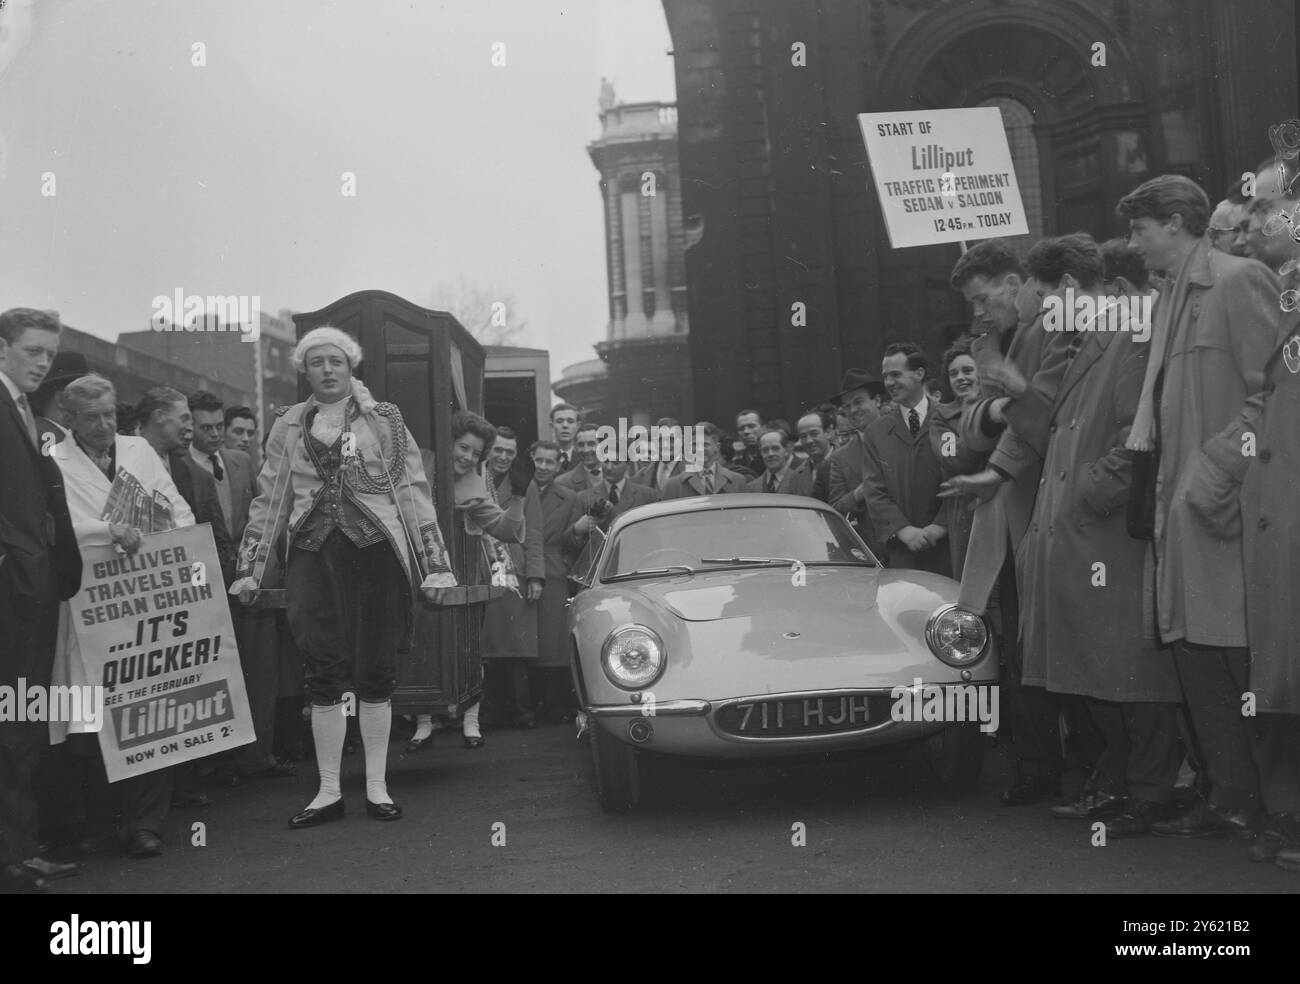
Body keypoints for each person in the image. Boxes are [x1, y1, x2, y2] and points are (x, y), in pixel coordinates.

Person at [230, 326, 457, 828]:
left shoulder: (386, 420)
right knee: (322, 670)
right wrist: (250, 569)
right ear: (304, 371)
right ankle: (328, 791)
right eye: (317, 363)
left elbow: (414, 492)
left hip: (375, 552)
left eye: (335, 361)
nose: (327, 370)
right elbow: (270, 500)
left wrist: (436, 563)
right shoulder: (289, 424)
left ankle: (377, 787)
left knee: (376, 669)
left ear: (350, 365)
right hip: (312, 555)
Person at [999, 234, 1184, 835]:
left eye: (1048, 297)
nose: (1046, 310)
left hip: (1104, 538)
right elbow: (1048, 430)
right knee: (1098, 672)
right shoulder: (1081, 341)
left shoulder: (1128, 336)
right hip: (1079, 537)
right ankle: (1129, 784)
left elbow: (1139, 436)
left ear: (1073, 290)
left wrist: (1088, 495)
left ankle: (1150, 792)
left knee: (1129, 671)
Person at [1115, 175, 1278, 839]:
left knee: (1238, 663)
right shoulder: (1171, 299)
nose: (1133, 243)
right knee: (1198, 661)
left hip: (1227, 516)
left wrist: (1214, 472)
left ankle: (1268, 809)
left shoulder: (1238, 281)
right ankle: (1231, 799)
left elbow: (1273, 396)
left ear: (1176, 223)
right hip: (1184, 518)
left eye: (1139, 229)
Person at [1183, 191, 1300, 868]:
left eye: (1269, 210)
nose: (1254, 224)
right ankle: (1287, 815)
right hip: (1275, 510)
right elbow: (1265, 397)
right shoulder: (1283, 300)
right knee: (1282, 671)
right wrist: (1227, 461)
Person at [943, 237, 1073, 805]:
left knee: (1055, 649)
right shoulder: (999, 341)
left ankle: (1074, 769)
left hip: (1051, 518)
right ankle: (1042, 767)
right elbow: (969, 428)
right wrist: (998, 408)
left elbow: (1047, 419)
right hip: (1015, 527)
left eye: (981, 297)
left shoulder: (1054, 331)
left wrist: (1004, 408)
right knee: (1022, 651)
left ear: (1015, 284)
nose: (977, 311)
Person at [49, 374, 195, 859]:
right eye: (91, 417)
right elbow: (56, 523)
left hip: (149, 595)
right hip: (92, 602)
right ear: (69, 421)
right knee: (93, 717)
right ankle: (101, 819)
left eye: (110, 413)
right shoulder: (54, 462)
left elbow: (175, 506)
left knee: (153, 703)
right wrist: (107, 528)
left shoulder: (139, 451)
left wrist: (176, 535)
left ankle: (145, 825)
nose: (104, 425)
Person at [0, 308, 82, 892]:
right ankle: (15, 853)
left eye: (49, 354)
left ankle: (20, 848)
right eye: (32, 351)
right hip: (13, 590)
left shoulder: (22, 410)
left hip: (32, 590)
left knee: (22, 721)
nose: (43, 363)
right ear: (2, 349)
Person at [416, 412, 526, 749]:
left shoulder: (475, 486)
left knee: (468, 647)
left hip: (464, 570)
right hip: (423, 571)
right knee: (424, 645)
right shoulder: (420, 465)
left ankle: (471, 722)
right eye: (463, 447)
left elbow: (505, 530)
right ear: (449, 442)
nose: (467, 457)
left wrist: (519, 496)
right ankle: (423, 724)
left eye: (475, 454)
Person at [860, 343, 950, 575]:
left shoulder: (950, 420)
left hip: (949, 546)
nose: (889, 383)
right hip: (902, 553)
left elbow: (961, 477)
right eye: (885, 376)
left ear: (919, 374)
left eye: (896, 374)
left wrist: (940, 526)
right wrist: (904, 531)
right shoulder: (876, 433)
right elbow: (875, 492)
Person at [477, 428, 543, 730]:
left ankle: (522, 712)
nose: (503, 457)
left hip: (513, 571)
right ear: (488, 450)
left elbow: (535, 533)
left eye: (509, 453)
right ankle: (487, 713)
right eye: (498, 450)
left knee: (517, 649)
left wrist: (535, 576)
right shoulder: (474, 479)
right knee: (487, 648)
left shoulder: (524, 486)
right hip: (482, 568)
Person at [528, 440, 582, 723]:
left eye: (550, 462)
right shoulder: (519, 489)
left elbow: (570, 542)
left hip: (553, 572)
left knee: (554, 643)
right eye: (539, 460)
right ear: (531, 460)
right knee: (526, 640)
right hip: (521, 567)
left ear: (559, 465)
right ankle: (530, 704)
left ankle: (555, 706)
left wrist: (577, 532)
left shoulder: (568, 497)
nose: (544, 467)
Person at [928, 336, 985, 578]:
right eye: (954, 374)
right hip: (967, 513)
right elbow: (953, 459)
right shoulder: (942, 417)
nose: (961, 378)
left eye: (968, 370)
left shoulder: (1001, 406)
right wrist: (985, 427)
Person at [826, 369, 884, 558]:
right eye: (847, 406)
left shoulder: (901, 436)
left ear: (877, 400)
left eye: (858, 402)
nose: (852, 410)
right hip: (874, 553)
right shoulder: (840, 458)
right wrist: (858, 494)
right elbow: (835, 510)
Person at [188, 391, 255, 543]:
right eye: (206, 428)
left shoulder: (242, 461)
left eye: (219, 426)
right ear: (190, 427)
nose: (215, 434)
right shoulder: (182, 468)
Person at [565, 456, 659, 553]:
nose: (609, 467)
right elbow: (567, 546)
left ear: (627, 464)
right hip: (599, 564)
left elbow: (657, 537)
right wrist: (576, 530)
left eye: (615, 463)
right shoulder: (583, 498)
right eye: (606, 462)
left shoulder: (648, 496)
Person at [661, 423, 748, 498]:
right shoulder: (673, 486)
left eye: (705, 444)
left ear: (717, 447)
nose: (699, 449)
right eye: (695, 444)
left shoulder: (738, 481)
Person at [632, 417, 688, 491]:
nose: (665, 445)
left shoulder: (696, 473)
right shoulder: (639, 477)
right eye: (660, 439)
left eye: (671, 439)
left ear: (682, 440)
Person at [745, 427, 804, 494]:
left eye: (775, 448)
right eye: (765, 450)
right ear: (761, 453)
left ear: (786, 450)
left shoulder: (801, 481)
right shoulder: (751, 488)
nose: (770, 454)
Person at [793, 409, 835, 502]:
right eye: (803, 436)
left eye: (814, 434)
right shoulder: (797, 475)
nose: (809, 441)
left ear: (828, 432)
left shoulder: (845, 462)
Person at [555, 422, 603, 493]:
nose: (586, 450)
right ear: (576, 448)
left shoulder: (622, 475)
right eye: (581, 445)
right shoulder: (563, 483)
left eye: (591, 444)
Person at [224, 405, 260, 474]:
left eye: (250, 433)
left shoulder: (250, 470)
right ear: (223, 433)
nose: (246, 439)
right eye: (238, 431)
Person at [732, 409, 764, 477]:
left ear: (763, 428)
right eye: (741, 428)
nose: (746, 431)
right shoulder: (737, 463)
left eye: (751, 426)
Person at [549, 403, 580, 473]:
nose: (565, 425)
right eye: (559, 421)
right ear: (551, 426)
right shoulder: (543, 458)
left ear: (577, 426)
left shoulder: (583, 458)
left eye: (570, 421)